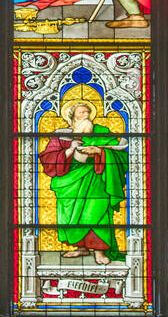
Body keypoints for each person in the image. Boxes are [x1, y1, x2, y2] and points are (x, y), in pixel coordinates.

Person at [38, 101, 129, 264]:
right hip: (69, 184)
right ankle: (81, 248)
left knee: (97, 214)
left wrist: (99, 151)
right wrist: (70, 149)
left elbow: (122, 154)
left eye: (88, 112)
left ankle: (100, 252)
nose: (86, 115)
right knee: (72, 217)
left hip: (96, 181)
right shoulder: (61, 136)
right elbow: (47, 158)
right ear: (72, 118)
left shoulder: (102, 132)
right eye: (81, 113)